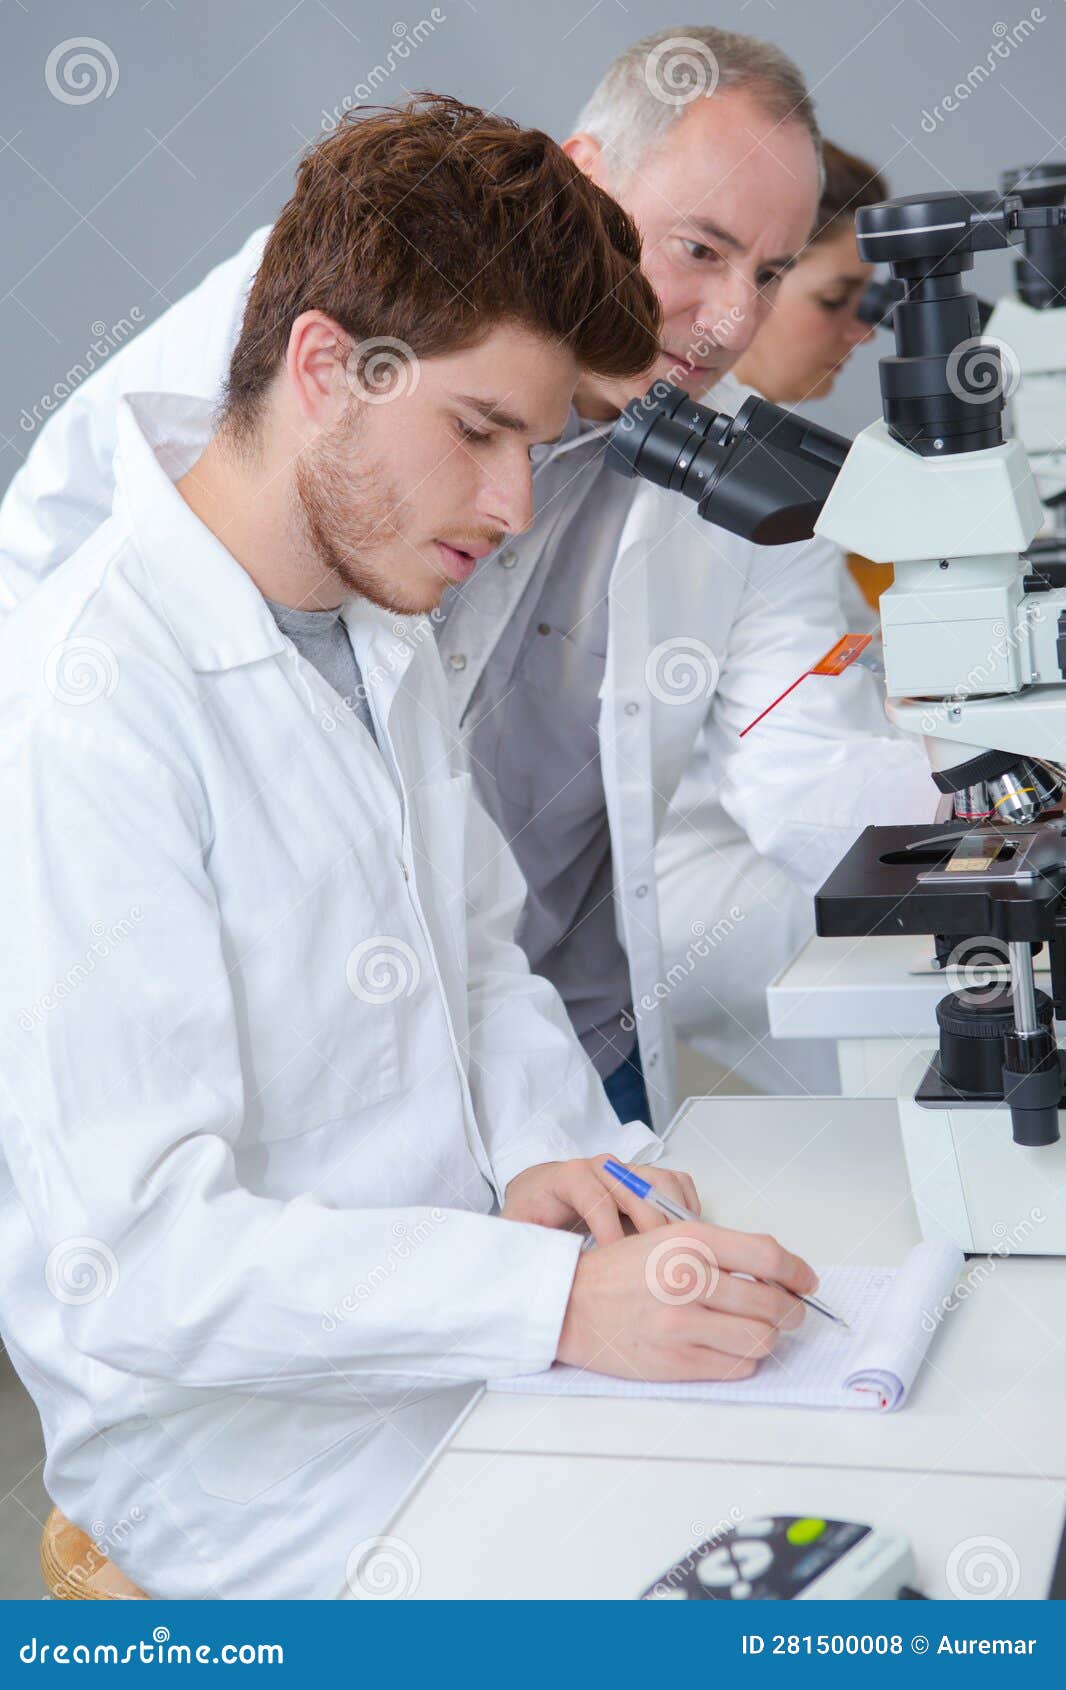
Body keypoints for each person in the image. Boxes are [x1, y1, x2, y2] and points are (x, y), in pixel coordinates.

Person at [0, 96, 824, 1602]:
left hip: (452, 1355)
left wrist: (549, 1157)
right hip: (251, 1472)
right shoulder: (86, 703)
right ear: (325, 366)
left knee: (852, 1536)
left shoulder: (373, 630)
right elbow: (138, 1263)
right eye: (477, 431)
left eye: (541, 441)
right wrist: (559, 1296)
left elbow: (476, 953)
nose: (514, 505)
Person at [0, 27, 936, 1135]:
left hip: (557, 1034)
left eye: (770, 274)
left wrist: (1000, 813)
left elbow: (809, 773)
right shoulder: (359, 303)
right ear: (587, 175)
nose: (733, 320)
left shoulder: (742, 487)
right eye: (699, 249)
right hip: (314, 1039)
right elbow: (56, 558)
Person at [656, 142, 899, 1095]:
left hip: (762, 832)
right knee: (922, 970)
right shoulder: (722, 486)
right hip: (698, 877)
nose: (862, 332)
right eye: (834, 299)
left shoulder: (796, 481)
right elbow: (803, 781)